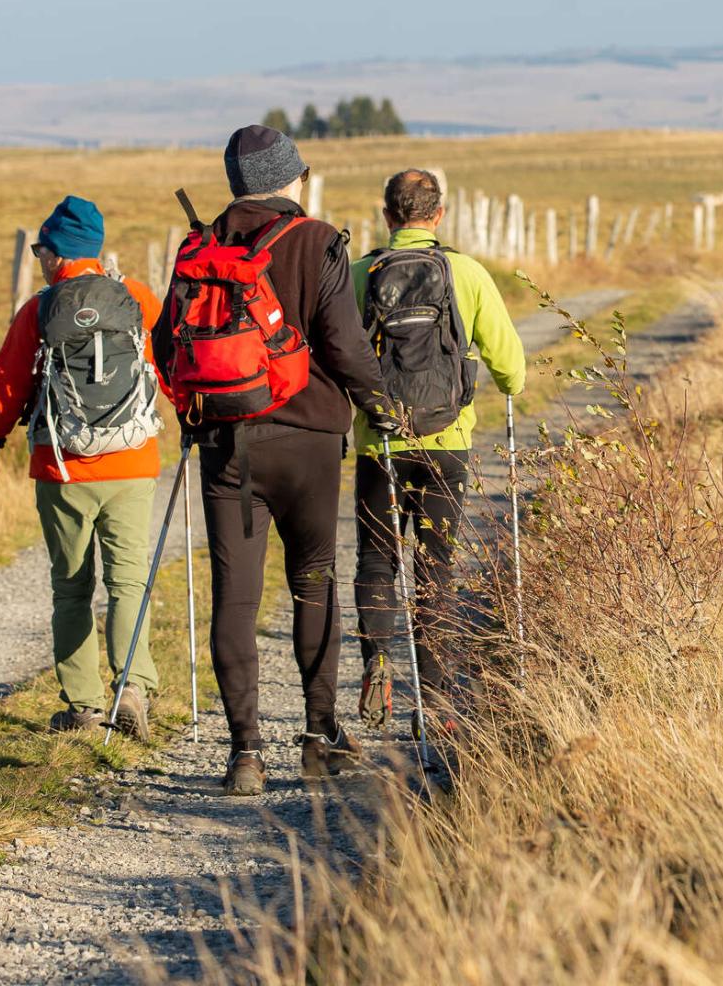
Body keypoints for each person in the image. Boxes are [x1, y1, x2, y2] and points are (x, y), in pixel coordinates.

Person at [158, 124, 394, 796]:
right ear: (293, 178)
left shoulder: (198, 247)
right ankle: (319, 737)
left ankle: (245, 753)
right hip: (310, 442)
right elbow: (345, 346)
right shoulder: (318, 241)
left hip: (226, 444)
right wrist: (384, 408)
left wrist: (191, 409)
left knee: (236, 596)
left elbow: (166, 341)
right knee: (313, 582)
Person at [0, 195, 166, 740]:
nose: (39, 258)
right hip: (132, 462)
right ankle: (133, 687)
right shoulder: (137, 298)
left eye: (42, 249)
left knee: (72, 587)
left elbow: (8, 389)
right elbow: (163, 366)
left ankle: (83, 707)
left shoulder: (38, 310)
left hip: (63, 469)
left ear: (57, 255)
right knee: (129, 582)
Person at [351, 168, 525, 732]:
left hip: (379, 440)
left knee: (377, 560)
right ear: (439, 214)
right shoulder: (466, 274)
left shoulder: (360, 275)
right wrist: (507, 385)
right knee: (436, 567)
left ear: (387, 217)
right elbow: (513, 369)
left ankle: (377, 663)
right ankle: (438, 696)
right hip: (446, 441)